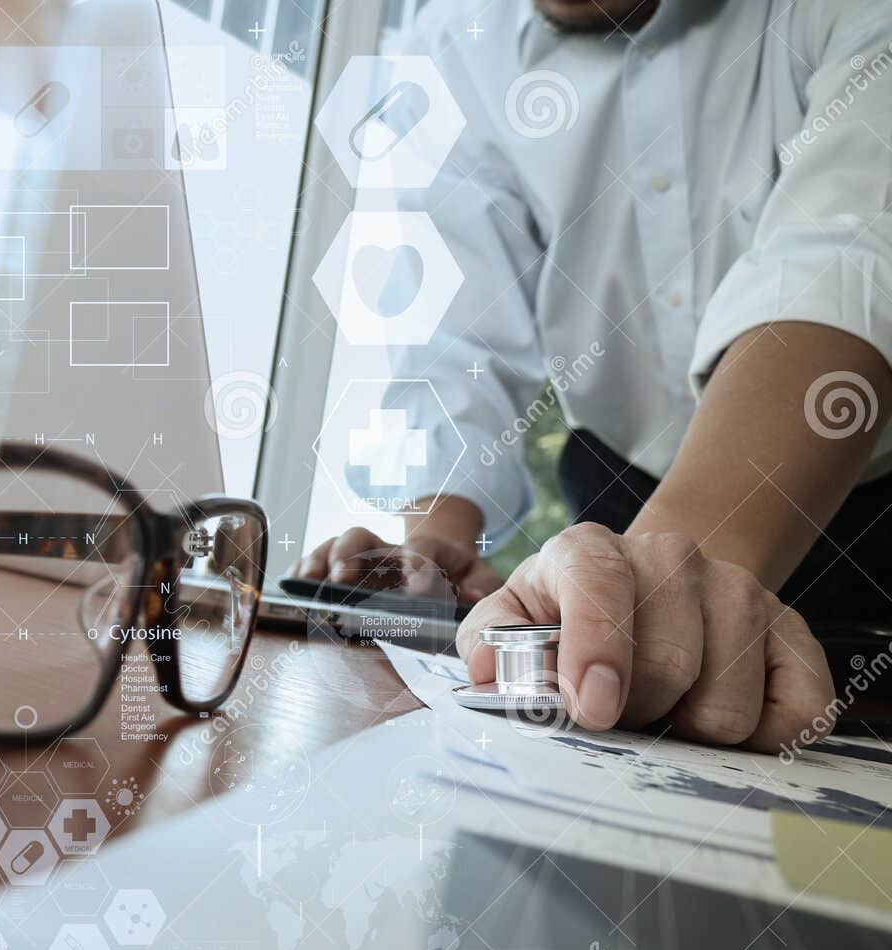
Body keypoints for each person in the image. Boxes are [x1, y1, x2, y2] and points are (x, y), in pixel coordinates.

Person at [293, 0, 892, 751]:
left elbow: (844, 257)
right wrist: (437, 545)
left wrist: (644, 594)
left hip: (869, 522)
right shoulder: (457, 36)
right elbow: (457, 325)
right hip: (619, 497)